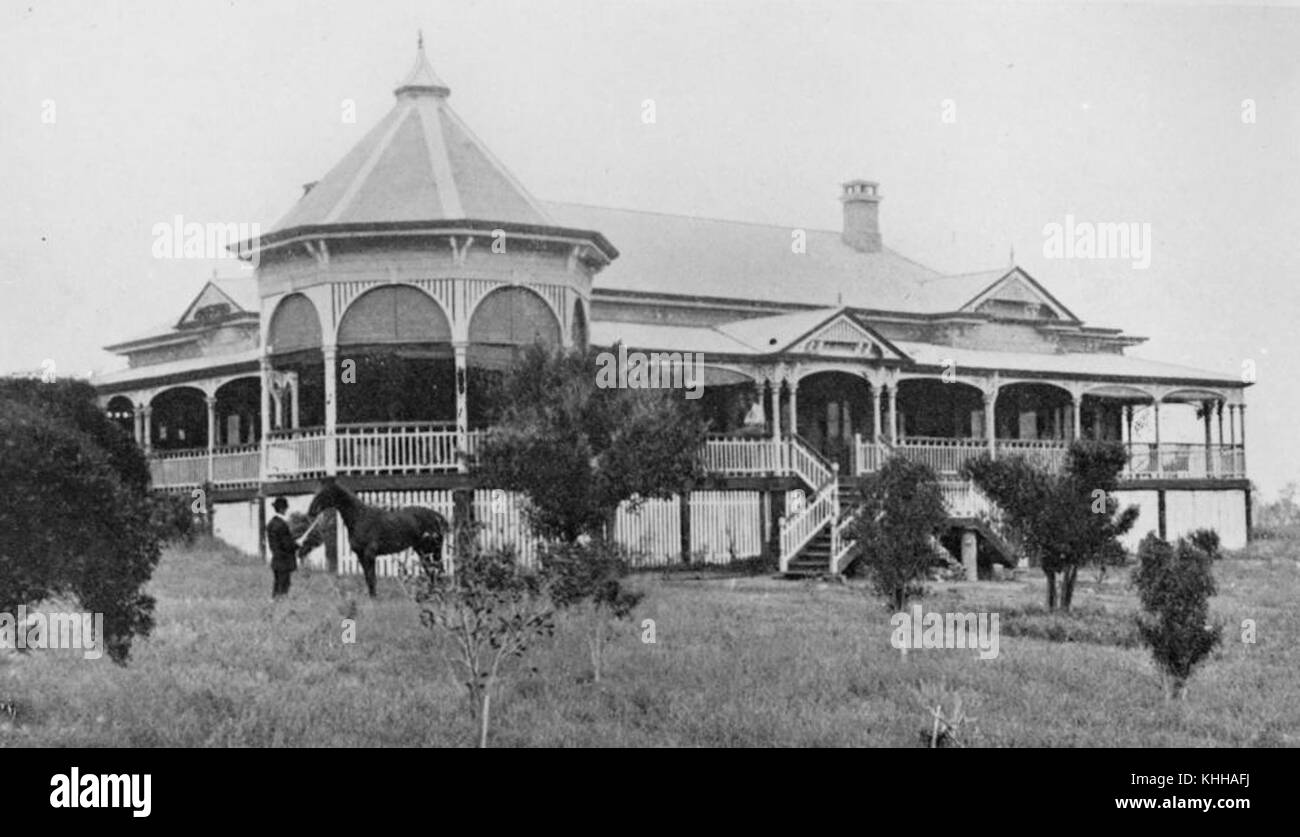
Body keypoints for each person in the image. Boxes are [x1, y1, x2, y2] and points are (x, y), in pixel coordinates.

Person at [266, 497, 298, 599]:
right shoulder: (282, 525)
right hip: (285, 561)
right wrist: (297, 545)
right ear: (282, 509)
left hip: (276, 560)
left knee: (277, 586)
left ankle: (274, 605)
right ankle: (281, 607)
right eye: (285, 509)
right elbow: (287, 545)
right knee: (284, 587)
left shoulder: (271, 524)